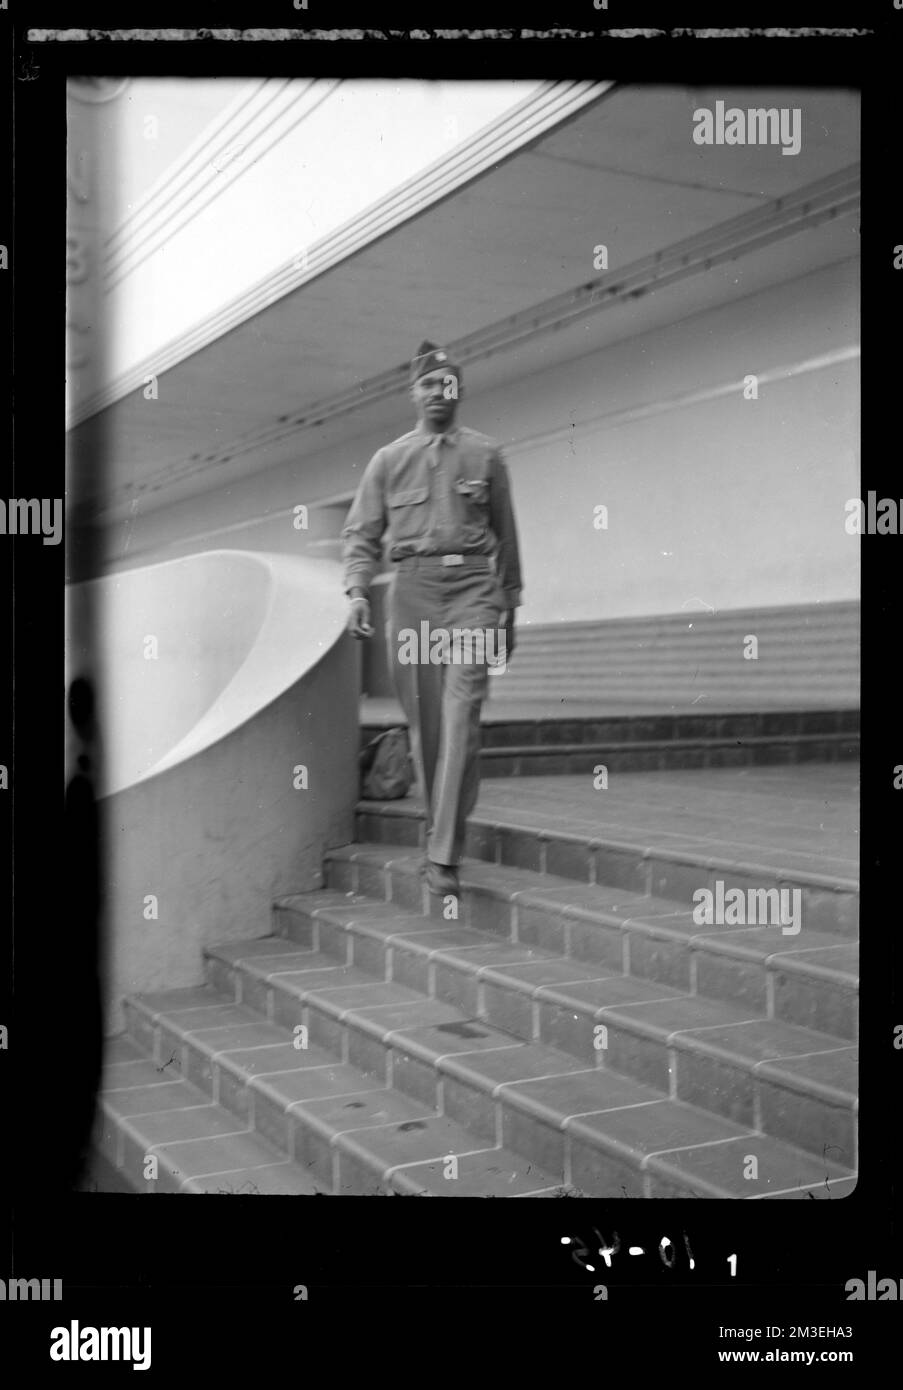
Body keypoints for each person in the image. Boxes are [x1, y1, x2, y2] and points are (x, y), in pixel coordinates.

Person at [342, 340, 523, 896]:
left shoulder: (487, 456)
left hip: (474, 590)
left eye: (447, 384)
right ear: (414, 393)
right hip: (414, 594)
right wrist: (355, 591)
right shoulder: (388, 461)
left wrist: (510, 605)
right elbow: (361, 532)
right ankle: (439, 826)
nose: (437, 393)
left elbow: (507, 535)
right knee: (428, 733)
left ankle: (443, 853)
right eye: (427, 385)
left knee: (461, 716)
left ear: (459, 392)